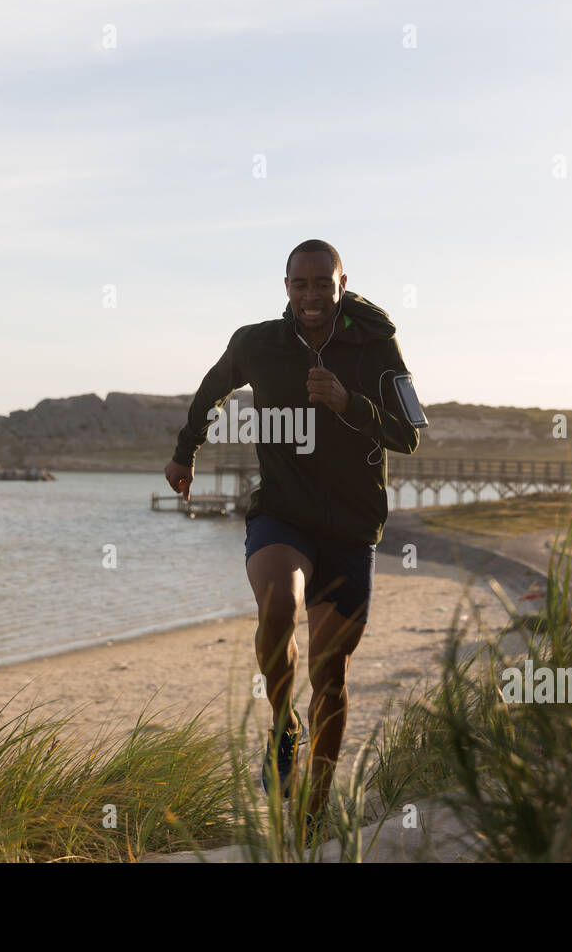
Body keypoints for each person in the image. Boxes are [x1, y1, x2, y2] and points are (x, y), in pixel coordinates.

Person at [164, 239, 421, 834]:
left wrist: (346, 401)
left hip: (352, 526)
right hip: (282, 511)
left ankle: (312, 813)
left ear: (341, 283)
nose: (311, 296)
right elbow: (211, 391)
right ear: (286, 286)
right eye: (299, 284)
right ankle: (283, 728)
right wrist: (185, 454)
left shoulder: (375, 342)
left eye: (321, 284)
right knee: (278, 603)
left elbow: (408, 436)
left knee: (331, 676)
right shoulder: (256, 343)